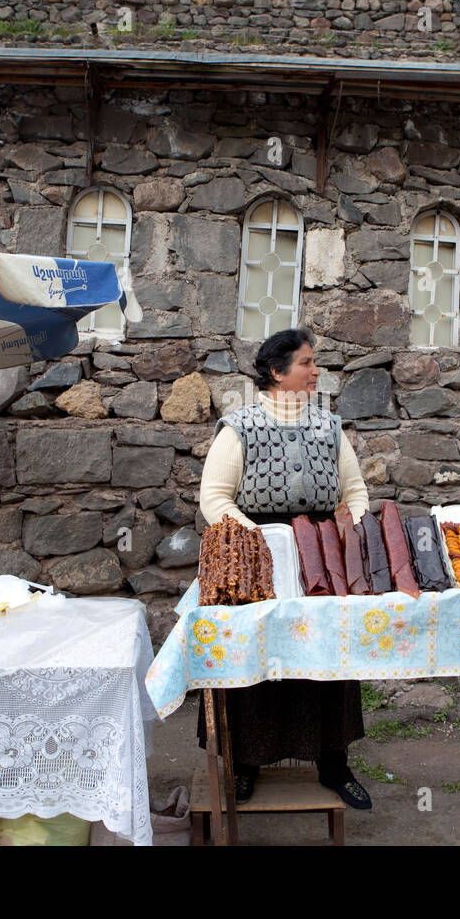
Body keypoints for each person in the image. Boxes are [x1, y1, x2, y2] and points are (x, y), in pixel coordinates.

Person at [197, 328, 373, 808]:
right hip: (257, 555)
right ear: (277, 372)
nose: (316, 371)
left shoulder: (329, 427)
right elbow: (215, 498)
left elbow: (355, 493)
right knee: (256, 656)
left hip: (321, 555)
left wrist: (346, 534)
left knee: (325, 654)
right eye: (306, 363)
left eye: (315, 362)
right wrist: (258, 543)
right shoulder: (240, 427)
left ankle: (333, 763)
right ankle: (246, 763)